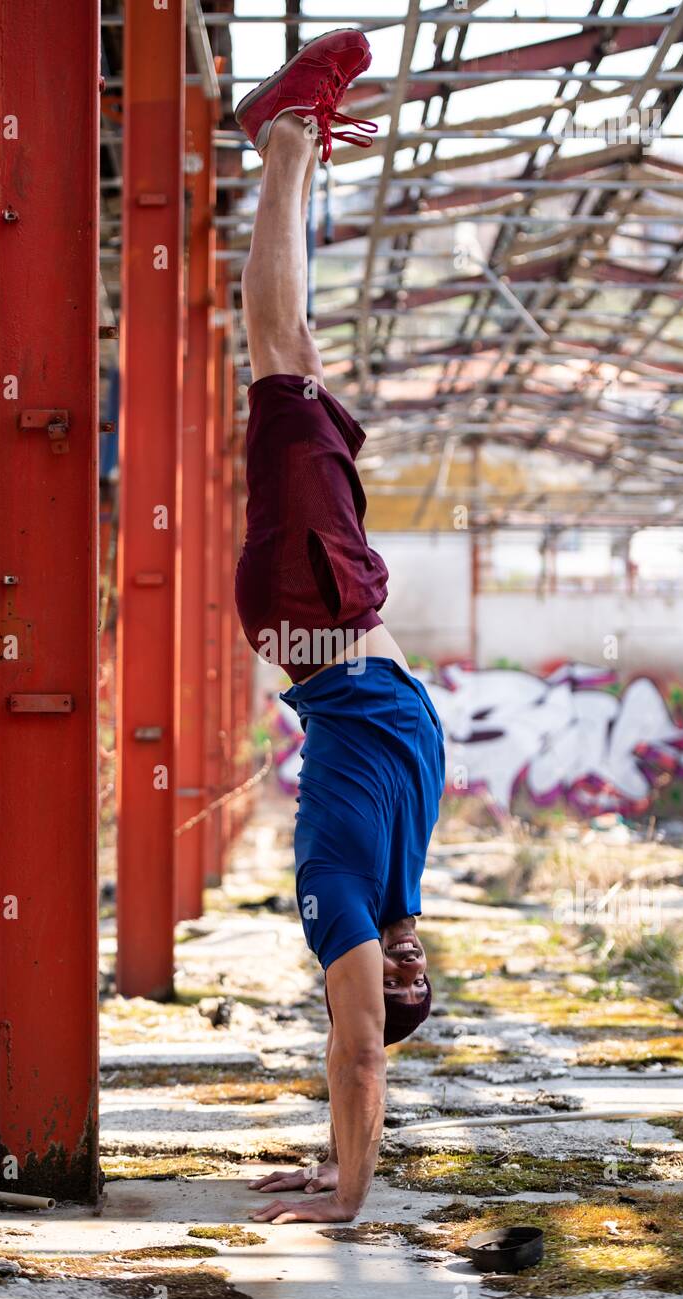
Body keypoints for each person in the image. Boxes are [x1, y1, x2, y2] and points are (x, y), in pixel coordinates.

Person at [233, 30, 445, 1225]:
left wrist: (347, 1203)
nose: (400, 971)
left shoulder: (336, 885)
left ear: (362, 967)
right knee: (298, 380)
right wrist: (332, 1157)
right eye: (419, 980)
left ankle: (281, 136)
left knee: (284, 365)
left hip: (316, 614)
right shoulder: (402, 865)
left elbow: (358, 1054)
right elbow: (364, 1063)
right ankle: (291, 143)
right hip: (333, 608)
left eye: (387, 980)